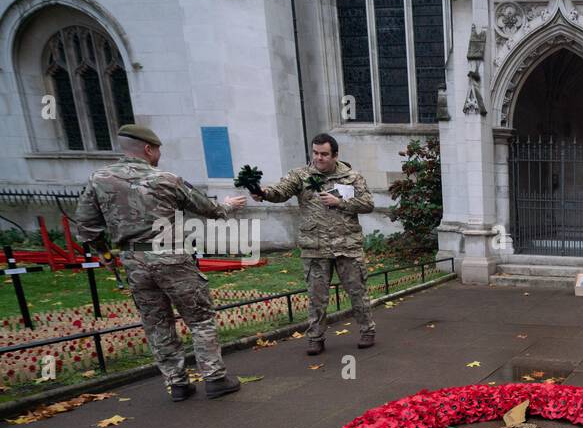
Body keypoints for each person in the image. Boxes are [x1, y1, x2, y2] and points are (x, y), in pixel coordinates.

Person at [73, 124, 246, 401]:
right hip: (171, 257)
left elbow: (86, 227)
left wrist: (106, 255)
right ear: (148, 148)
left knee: (157, 323)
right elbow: (208, 209)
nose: (159, 155)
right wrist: (229, 205)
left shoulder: (99, 180)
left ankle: (177, 384)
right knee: (200, 318)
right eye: (158, 150)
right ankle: (214, 378)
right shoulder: (167, 179)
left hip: (134, 261)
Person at [253, 134, 375, 354]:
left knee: (357, 292)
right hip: (314, 247)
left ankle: (367, 331)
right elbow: (281, 191)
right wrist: (262, 193)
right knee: (316, 297)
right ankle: (315, 337)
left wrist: (341, 202)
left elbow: (368, 204)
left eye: (324, 154)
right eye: (316, 153)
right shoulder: (301, 176)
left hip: (347, 245)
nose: (319, 158)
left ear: (335, 155)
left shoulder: (351, 176)